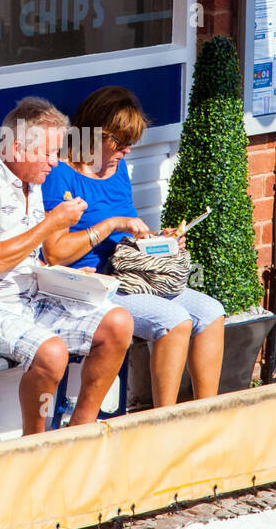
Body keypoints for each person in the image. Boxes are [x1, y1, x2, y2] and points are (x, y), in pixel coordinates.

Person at [0, 95, 134, 436]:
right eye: (50, 153)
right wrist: (52, 225)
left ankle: (79, 431)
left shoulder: (30, 182)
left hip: (26, 301)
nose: (56, 163)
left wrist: (65, 279)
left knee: (117, 322)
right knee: (52, 352)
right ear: (20, 148)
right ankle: (35, 444)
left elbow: (28, 258)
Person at [41, 86, 226, 408]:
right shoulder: (60, 175)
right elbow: (54, 252)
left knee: (211, 312)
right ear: (94, 133)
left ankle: (204, 415)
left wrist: (160, 241)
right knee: (174, 320)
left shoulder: (116, 171)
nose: (127, 151)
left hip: (131, 275)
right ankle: (163, 421)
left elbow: (130, 235)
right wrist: (109, 225)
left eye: (130, 143)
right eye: (121, 142)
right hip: (89, 283)